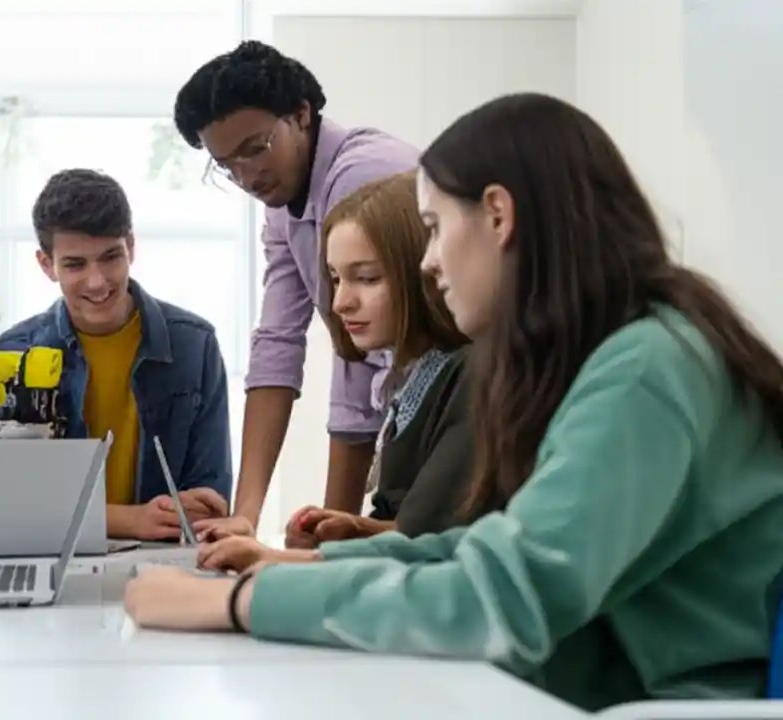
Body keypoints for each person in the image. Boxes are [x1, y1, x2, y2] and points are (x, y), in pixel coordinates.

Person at [124, 92, 783, 711]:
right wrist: (306, 566)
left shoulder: (646, 367)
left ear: (498, 215)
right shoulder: (630, 350)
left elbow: (501, 595)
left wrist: (240, 603)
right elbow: (483, 549)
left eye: (436, 228)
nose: (429, 262)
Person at [174, 41, 419, 537]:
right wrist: (246, 518)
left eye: (254, 149)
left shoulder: (361, 176)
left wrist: (331, 540)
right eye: (226, 165)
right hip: (407, 411)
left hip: (452, 407)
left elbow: (355, 351)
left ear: (301, 115)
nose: (244, 176)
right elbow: (279, 344)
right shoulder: (282, 199)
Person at [195, 172, 471, 567]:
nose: (340, 302)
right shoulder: (414, 378)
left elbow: (435, 541)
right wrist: (354, 528)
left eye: (367, 278)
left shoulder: (469, 376)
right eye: (337, 278)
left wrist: (276, 560)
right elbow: (420, 527)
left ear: (424, 268)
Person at [0, 169, 232, 541]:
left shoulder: (195, 345)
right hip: (55, 557)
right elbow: (6, 502)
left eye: (110, 257)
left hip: (165, 558)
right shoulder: (13, 352)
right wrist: (129, 520)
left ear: (130, 247)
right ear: (46, 264)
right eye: (75, 264)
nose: (97, 281)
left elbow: (211, 497)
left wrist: (198, 506)